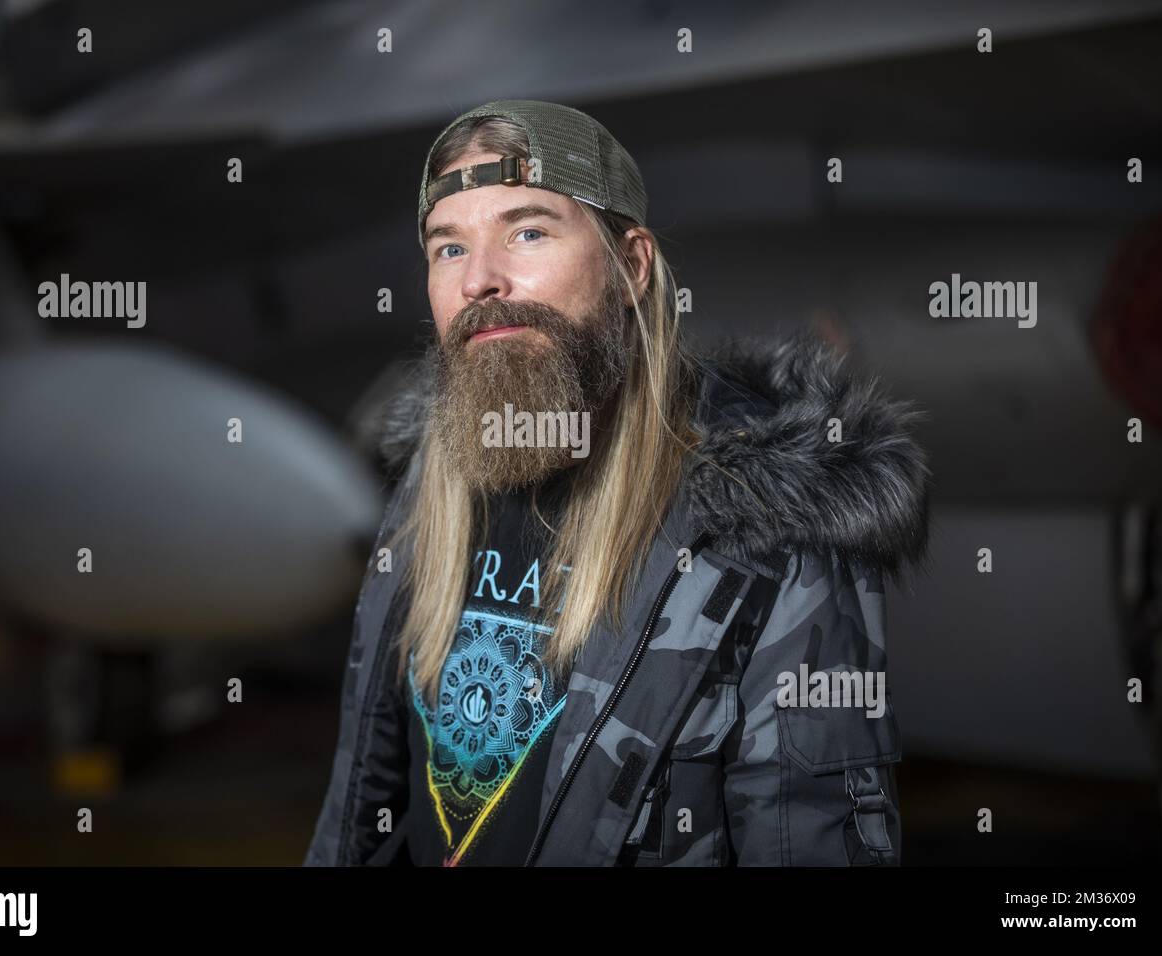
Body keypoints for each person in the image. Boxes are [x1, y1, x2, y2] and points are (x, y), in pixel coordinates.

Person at [304, 99, 931, 867]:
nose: (480, 281)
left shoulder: (767, 532)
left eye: (527, 231)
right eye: (448, 248)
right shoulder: (424, 494)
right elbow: (359, 808)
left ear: (631, 265)